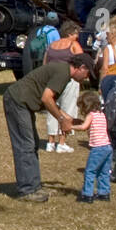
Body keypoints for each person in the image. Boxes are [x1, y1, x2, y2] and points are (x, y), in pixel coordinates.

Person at [2, 53, 95, 202]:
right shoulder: (63, 73)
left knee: (32, 143)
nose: (86, 78)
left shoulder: (63, 71)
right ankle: (27, 190)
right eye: (87, 73)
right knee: (26, 144)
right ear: (81, 67)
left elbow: (50, 100)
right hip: (17, 101)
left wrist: (68, 119)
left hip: (23, 104)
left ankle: (34, 186)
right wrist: (61, 120)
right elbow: (46, 98)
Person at [42, 22, 84, 153]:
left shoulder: (51, 46)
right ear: (70, 33)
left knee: (52, 109)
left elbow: (45, 63)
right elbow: (82, 62)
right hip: (69, 80)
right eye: (76, 33)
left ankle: (50, 142)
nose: (77, 37)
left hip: (52, 80)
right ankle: (61, 142)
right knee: (68, 109)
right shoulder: (74, 45)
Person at [69, 90, 111, 203]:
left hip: (98, 148)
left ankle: (87, 194)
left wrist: (71, 127)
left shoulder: (91, 115)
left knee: (90, 171)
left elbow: (84, 127)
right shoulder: (101, 114)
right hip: (107, 147)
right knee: (104, 171)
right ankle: (104, 193)